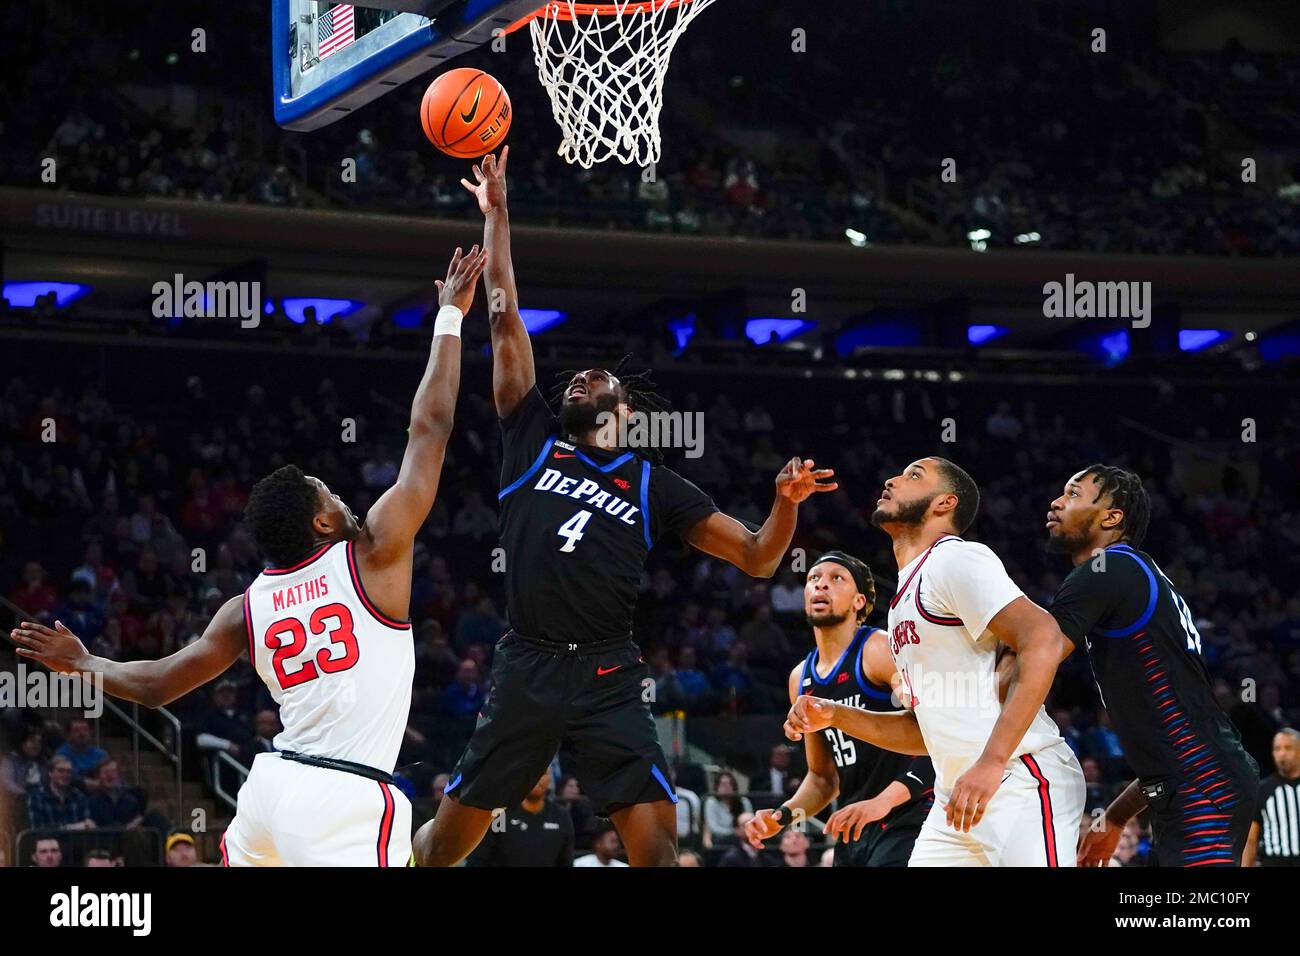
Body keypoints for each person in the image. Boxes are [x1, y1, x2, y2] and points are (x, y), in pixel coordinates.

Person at [414, 148, 835, 868]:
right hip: (527, 667)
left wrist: (782, 502)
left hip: (610, 674)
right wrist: (498, 215)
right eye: (574, 378)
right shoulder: (532, 439)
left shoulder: (654, 483)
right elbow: (506, 316)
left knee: (657, 851)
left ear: (625, 413)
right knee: (446, 844)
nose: (579, 380)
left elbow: (762, 557)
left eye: (595, 380)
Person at [10, 243, 487, 866]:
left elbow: (156, 685)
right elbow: (430, 428)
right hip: (341, 797)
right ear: (322, 521)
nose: (344, 500)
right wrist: (450, 314)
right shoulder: (372, 554)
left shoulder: (247, 606)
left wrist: (86, 664)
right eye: (333, 495)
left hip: (267, 791)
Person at [786, 457, 1085, 866]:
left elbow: (1043, 638)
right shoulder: (901, 602)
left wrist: (991, 761)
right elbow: (922, 732)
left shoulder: (954, 559)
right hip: (955, 795)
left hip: (1020, 779)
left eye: (914, 475)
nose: (891, 479)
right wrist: (834, 715)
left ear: (944, 503)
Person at [1048, 465, 1260, 867]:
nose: (1056, 502)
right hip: (1197, 779)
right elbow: (1170, 744)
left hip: (1202, 785)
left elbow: (1038, 652)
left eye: (1074, 494)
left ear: (1112, 517)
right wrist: (1115, 815)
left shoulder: (1107, 567)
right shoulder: (1130, 573)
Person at [747, 552, 934, 866]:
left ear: (859, 601)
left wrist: (882, 802)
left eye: (836, 578)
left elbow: (937, 740)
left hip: (908, 815)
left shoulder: (878, 649)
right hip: (854, 825)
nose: (821, 585)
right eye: (813, 579)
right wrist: (783, 816)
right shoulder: (801, 678)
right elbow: (823, 779)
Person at [467, 770, 574, 867]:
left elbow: (566, 861)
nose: (537, 778)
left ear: (550, 779)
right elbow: (480, 858)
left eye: (543, 773)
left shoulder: (560, 815)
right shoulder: (500, 813)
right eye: (534, 770)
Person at [1242, 728, 1299, 866]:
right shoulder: (1263, 790)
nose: (1282, 754)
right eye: (1277, 749)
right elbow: (1250, 841)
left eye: (1288, 748)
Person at [27, 756, 95, 830]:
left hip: (76, 841)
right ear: (50, 773)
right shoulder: (37, 797)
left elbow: (86, 826)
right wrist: (69, 828)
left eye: (68, 771)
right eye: (61, 771)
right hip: (48, 841)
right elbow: (38, 830)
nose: (65, 775)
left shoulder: (79, 796)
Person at [702, 771, 751, 848]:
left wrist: (742, 832)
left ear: (734, 786)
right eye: (722, 784)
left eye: (729, 784)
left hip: (744, 836)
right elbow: (714, 828)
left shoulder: (744, 801)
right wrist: (734, 832)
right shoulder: (711, 802)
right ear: (717, 787)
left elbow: (750, 821)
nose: (726, 787)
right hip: (721, 838)